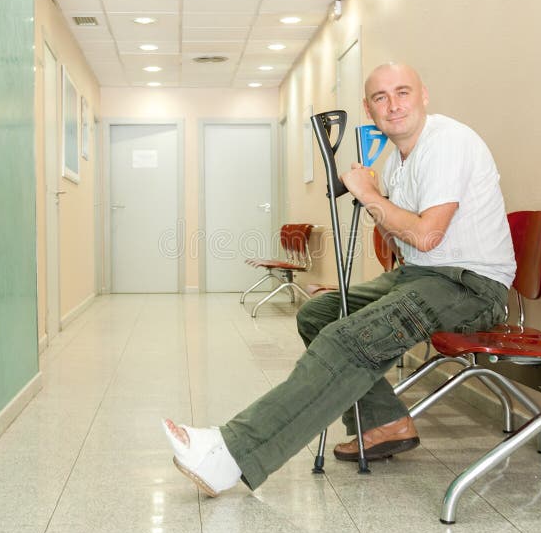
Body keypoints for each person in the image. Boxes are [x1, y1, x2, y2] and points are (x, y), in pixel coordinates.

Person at [162, 63, 516, 497]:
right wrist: (376, 196)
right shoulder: (397, 164)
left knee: (348, 338)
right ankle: (385, 422)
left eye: (402, 92)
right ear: (368, 110)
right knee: (320, 312)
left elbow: (425, 235)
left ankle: (230, 454)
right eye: (380, 98)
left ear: (424, 95)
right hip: (421, 277)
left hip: (471, 287)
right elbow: (402, 239)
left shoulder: (447, 141)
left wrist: (369, 195)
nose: (393, 105)